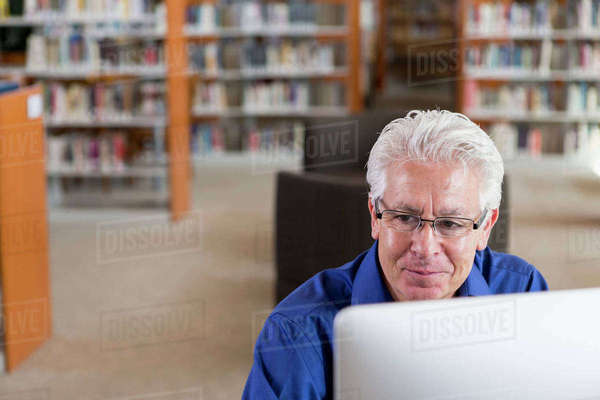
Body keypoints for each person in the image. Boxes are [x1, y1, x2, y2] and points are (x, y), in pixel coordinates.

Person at [242, 110, 548, 400]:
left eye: (451, 224)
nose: (425, 248)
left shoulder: (521, 292)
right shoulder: (296, 334)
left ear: (485, 227)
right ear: (375, 216)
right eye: (403, 218)